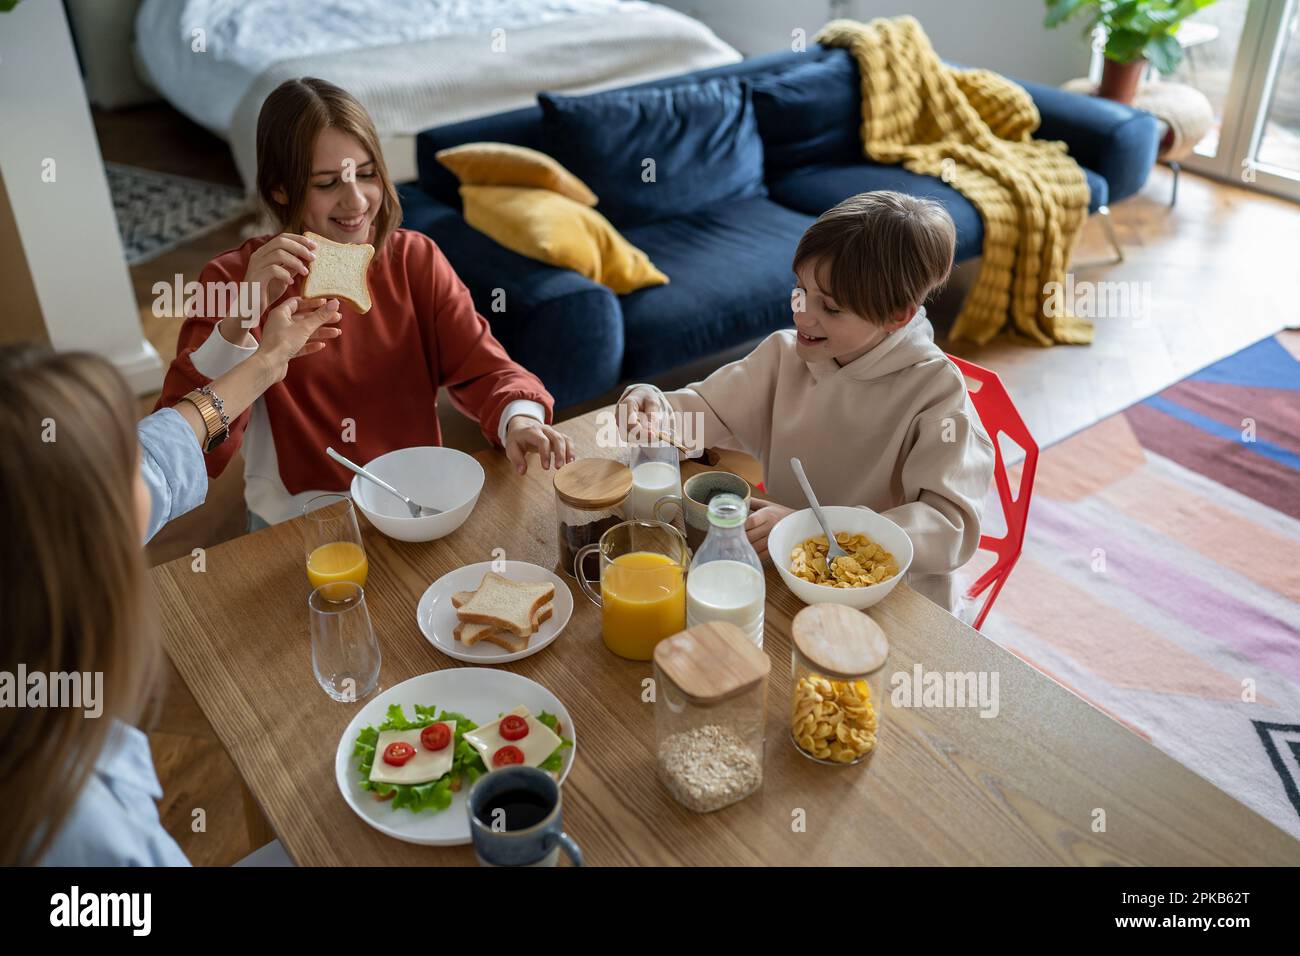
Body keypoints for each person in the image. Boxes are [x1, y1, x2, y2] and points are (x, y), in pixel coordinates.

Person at [0, 295, 338, 865]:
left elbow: (159, 450)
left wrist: (271, 356)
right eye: (114, 458)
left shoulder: (33, 534)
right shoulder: (77, 829)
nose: (134, 459)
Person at [156, 77, 573, 529]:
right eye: (328, 182)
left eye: (367, 174)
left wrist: (520, 419)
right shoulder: (232, 278)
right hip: (299, 518)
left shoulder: (416, 259)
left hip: (415, 502)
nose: (356, 201)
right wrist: (242, 317)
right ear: (280, 189)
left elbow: (485, 368)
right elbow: (185, 444)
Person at [622, 192, 995, 611]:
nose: (802, 315)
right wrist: (653, 406)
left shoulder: (938, 394)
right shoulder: (784, 356)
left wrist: (812, 530)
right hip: (786, 573)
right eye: (800, 291)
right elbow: (709, 411)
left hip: (888, 601)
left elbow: (948, 529)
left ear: (898, 316)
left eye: (831, 308)